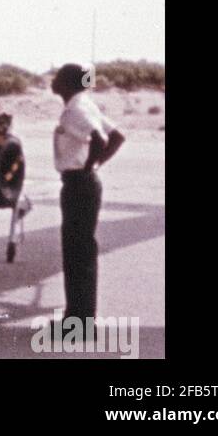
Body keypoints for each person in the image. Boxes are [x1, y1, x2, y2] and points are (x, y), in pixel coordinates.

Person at [51, 63, 125, 328]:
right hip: (84, 184)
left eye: (58, 76)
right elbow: (117, 136)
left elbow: (101, 139)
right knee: (81, 253)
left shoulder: (75, 111)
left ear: (67, 82)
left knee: (77, 254)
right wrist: (94, 166)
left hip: (78, 185)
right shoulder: (85, 104)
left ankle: (79, 323)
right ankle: (79, 318)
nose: (53, 80)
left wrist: (88, 167)